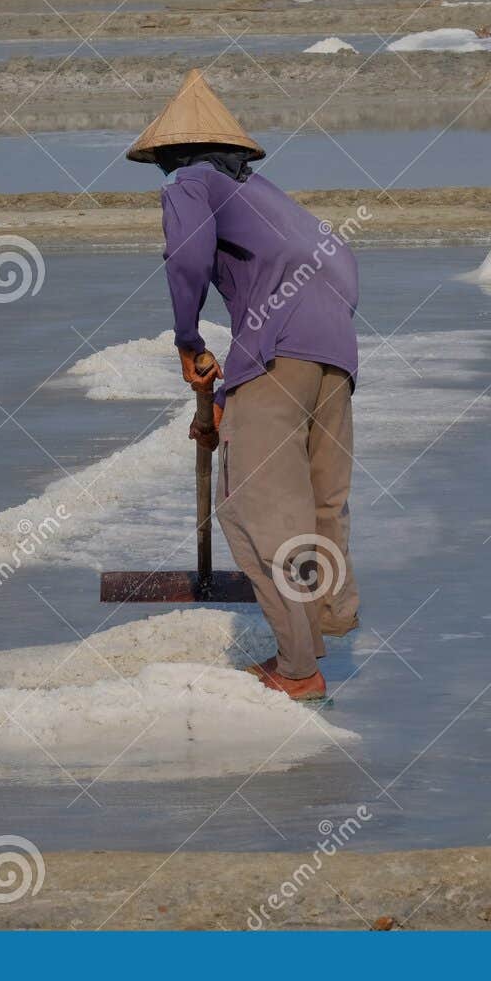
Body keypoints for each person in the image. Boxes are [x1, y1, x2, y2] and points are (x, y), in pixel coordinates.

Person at [127, 69, 361, 703]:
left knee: (257, 506)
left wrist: (189, 343)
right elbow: (341, 266)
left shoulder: (189, 183)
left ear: (168, 153)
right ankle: (330, 617)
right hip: (335, 352)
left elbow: (187, 259)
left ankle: (297, 667)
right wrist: (233, 391)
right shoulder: (273, 198)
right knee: (319, 496)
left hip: (280, 350)